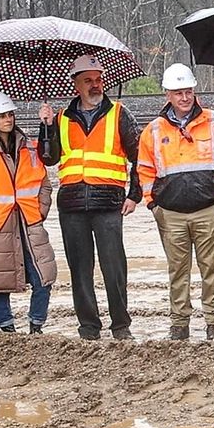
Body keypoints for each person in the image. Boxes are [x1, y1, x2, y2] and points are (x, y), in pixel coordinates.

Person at [38, 54, 142, 340]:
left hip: (109, 202)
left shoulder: (120, 114)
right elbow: (49, 158)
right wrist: (45, 126)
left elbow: (140, 159)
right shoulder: (59, 118)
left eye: (98, 79)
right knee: (80, 270)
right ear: (76, 85)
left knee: (114, 268)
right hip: (71, 203)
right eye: (88, 81)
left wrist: (135, 194)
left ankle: (121, 326)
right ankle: (88, 327)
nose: (95, 85)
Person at [138, 64, 214, 340]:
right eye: (178, 93)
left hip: (209, 209)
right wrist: (153, 205)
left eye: (188, 91)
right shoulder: (153, 131)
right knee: (178, 270)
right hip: (170, 213)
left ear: (194, 91)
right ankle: (179, 323)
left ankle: (213, 322)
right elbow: (144, 169)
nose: (184, 98)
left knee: (211, 267)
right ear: (167, 95)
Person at [0, 92, 57, 333]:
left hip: (30, 222)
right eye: (2, 116)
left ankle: (36, 323)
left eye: (10, 114)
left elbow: (44, 184)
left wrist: (40, 209)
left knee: (44, 276)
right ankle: (6, 328)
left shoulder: (29, 147)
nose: (8, 119)